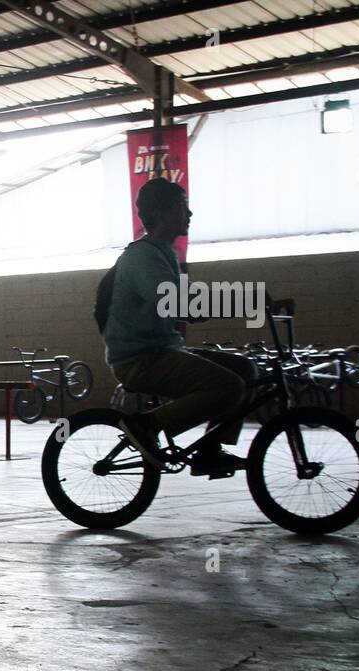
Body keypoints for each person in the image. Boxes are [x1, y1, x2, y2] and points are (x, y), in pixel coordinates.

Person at [104, 178, 257, 477]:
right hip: (139, 360)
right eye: (182, 207)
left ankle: (210, 450)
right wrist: (246, 302)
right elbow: (175, 302)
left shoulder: (166, 255)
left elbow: (187, 305)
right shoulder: (142, 256)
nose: (189, 214)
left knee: (245, 369)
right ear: (160, 213)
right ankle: (146, 425)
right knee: (229, 386)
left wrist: (249, 303)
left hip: (162, 350)